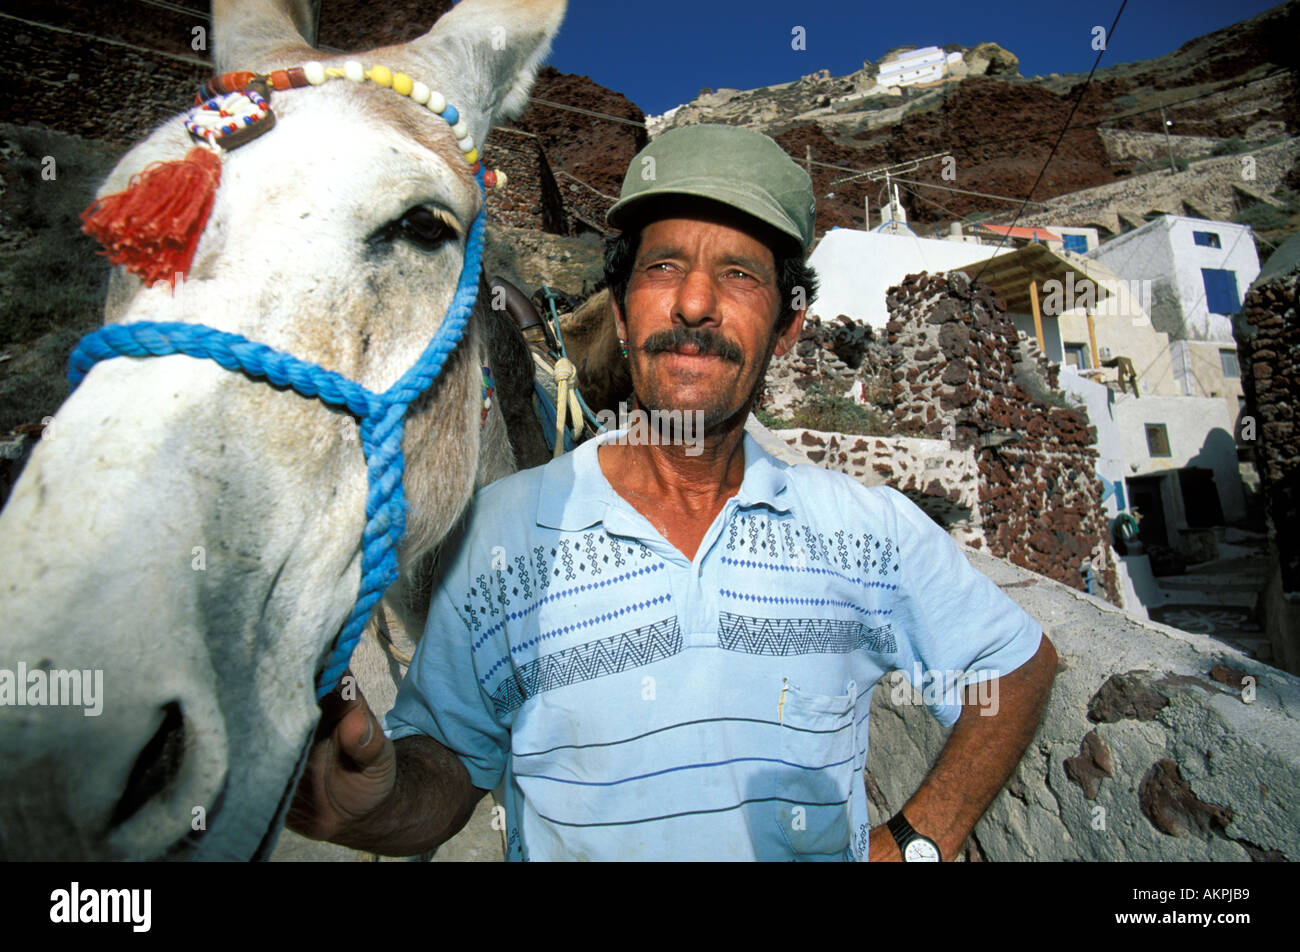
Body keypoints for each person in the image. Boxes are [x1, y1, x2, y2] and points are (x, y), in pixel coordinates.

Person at [287, 124, 1057, 861]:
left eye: (739, 274)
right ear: (619, 313)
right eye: (661, 268)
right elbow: (449, 767)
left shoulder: (868, 531)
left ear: (788, 326)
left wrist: (920, 841)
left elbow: (1017, 666)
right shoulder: (500, 535)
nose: (694, 304)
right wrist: (377, 804)